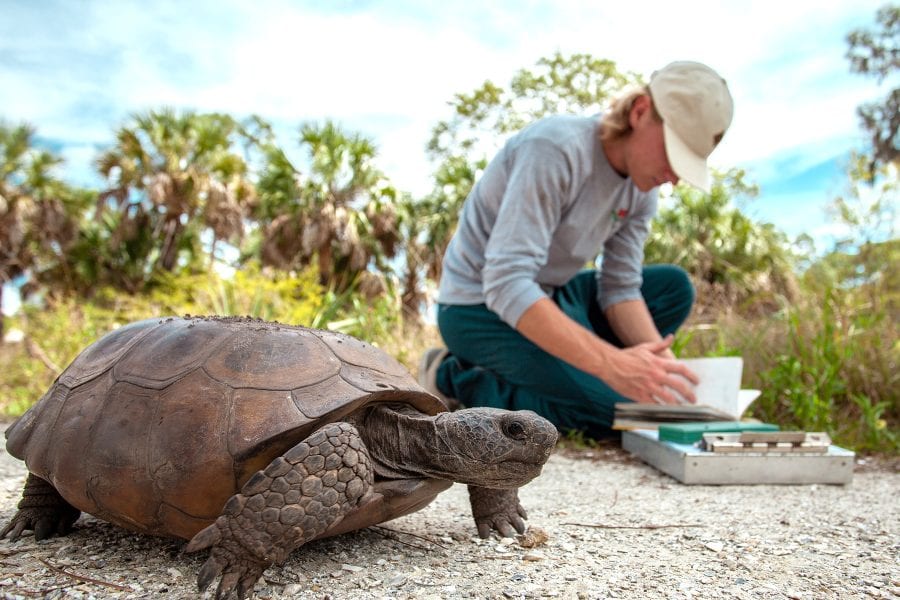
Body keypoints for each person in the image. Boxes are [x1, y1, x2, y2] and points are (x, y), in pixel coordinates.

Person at [418, 61, 735, 438]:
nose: (674, 177)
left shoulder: (641, 189)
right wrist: (612, 366)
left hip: (551, 293)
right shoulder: (553, 149)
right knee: (619, 413)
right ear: (639, 112)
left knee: (672, 289)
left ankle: (576, 377)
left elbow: (619, 289)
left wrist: (668, 377)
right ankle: (455, 376)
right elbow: (506, 283)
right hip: (477, 307)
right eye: (673, 152)